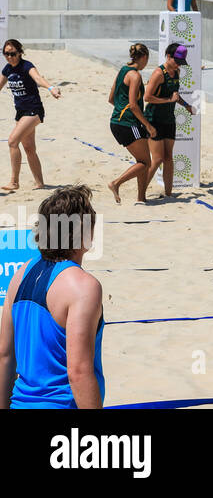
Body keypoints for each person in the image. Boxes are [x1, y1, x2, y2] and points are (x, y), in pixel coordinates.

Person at [0, 185, 104, 409]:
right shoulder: (83, 287)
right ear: (85, 231)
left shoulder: (20, 275)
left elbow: (5, 356)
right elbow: (78, 372)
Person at [0, 40, 60, 192]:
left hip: (33, 110)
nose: (9, 57)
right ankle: (40, 183)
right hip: (20, 113)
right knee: (29, 148)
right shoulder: (7, 69)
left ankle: (14, 182)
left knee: (13, 141)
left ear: (19, 52)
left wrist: (51, 88)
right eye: (6, 54)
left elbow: (38, 79)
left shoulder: (26, 66)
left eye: (12, 53)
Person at [106, 43, 157, 205]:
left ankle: (141, 198)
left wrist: (122, 110)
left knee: (141, 161)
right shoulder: (135, 76)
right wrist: (148, 125)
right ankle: (116, 183)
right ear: (144, 57)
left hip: (116, 122)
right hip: (129, 124)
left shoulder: (122, 71)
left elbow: (111, 99)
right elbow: (134, 105)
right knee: (145, 163)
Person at [142, 43, 194, 198]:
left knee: (168, 158)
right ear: (169, 56)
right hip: (154, 120)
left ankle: (169, 194)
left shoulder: (176, 72)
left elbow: (175, 96)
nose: (178, 64)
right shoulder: (159, 73)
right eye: (176, 60)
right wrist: (168, 100)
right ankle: (141, 192)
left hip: (169, 120)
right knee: (157, 159)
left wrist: (186, 106)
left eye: (181, 62)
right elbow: (147, 97)